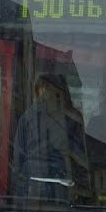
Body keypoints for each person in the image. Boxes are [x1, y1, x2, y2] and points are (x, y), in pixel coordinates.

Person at [12, 73, 88, 201]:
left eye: (49, 89)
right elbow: (17, 159)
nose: (45, 95)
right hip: (31, 188)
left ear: (62, 95)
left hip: (63, 187)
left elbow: (84, 161)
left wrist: (69, 151)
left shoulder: (72, 120)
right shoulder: (28, 119)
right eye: (41, 90)